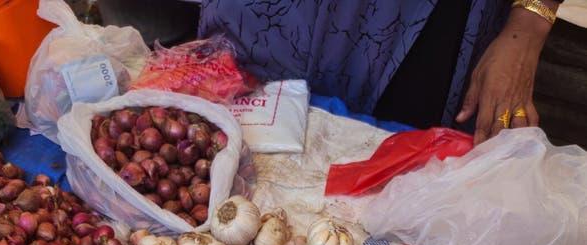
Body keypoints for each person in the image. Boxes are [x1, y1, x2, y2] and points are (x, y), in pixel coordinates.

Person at [197, 0, 565, 143]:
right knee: (232, 154)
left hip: (419, 28)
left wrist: (530, 25)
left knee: (390, 204)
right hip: (275, 19)